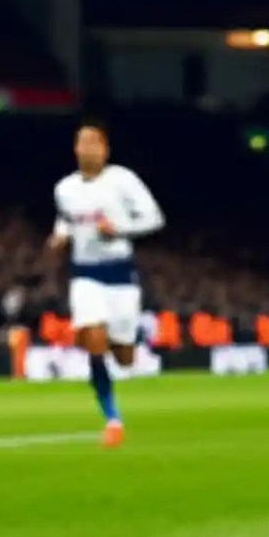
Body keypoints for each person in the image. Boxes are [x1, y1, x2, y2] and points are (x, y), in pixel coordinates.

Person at [48, 120, 165, 448]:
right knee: (93, 338)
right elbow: (66, 219)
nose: (87, 148)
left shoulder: (123, 180)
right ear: (75, 150)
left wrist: (119, 229)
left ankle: (131, 339)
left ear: (105, 150)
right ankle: (112, 418)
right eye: (82, 142)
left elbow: (154, 218)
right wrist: (60, 236)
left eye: (94, 143)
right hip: (85, 274)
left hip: (121, 276)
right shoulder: (65, 188)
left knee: (125, 357)